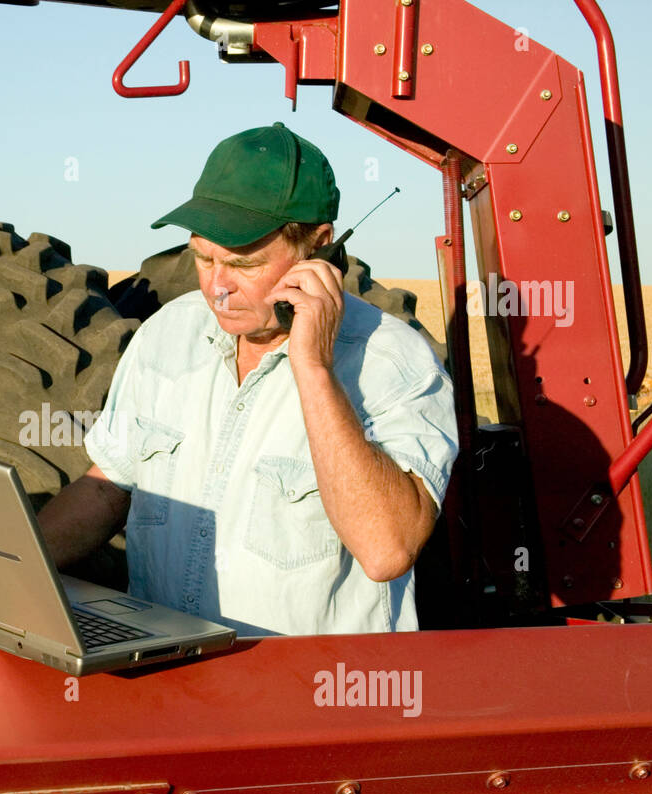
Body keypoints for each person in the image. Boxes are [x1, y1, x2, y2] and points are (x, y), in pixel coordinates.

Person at [37, 123, 459, 637]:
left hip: (311, 699)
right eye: (202, 257)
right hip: (167, 676)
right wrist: (9, 564)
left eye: (243, 264)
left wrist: (314, 369)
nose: (217, 288)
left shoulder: (392, 363)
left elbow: (386, 548)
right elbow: (110, 487)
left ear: (320, 248)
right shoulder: (168, 333)